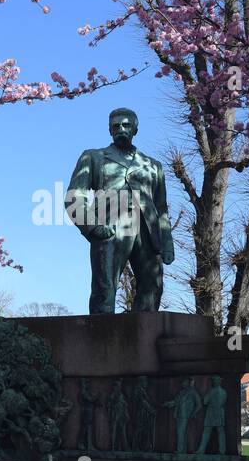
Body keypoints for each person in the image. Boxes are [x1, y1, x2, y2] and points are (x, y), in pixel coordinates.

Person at [64, 108, 176, 313]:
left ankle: (144, 333)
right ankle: (101, 333)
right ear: (109, 130)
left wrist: (167, 244)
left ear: (135, 130)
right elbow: (74, 197)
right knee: (104, 289)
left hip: (148, 231)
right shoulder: (93, 157)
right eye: (115, 126)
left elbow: (161, 207)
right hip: (110, 227)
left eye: (126, 125)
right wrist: (93, 226)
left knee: (153, 287)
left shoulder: (153, 166)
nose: (121, 129)